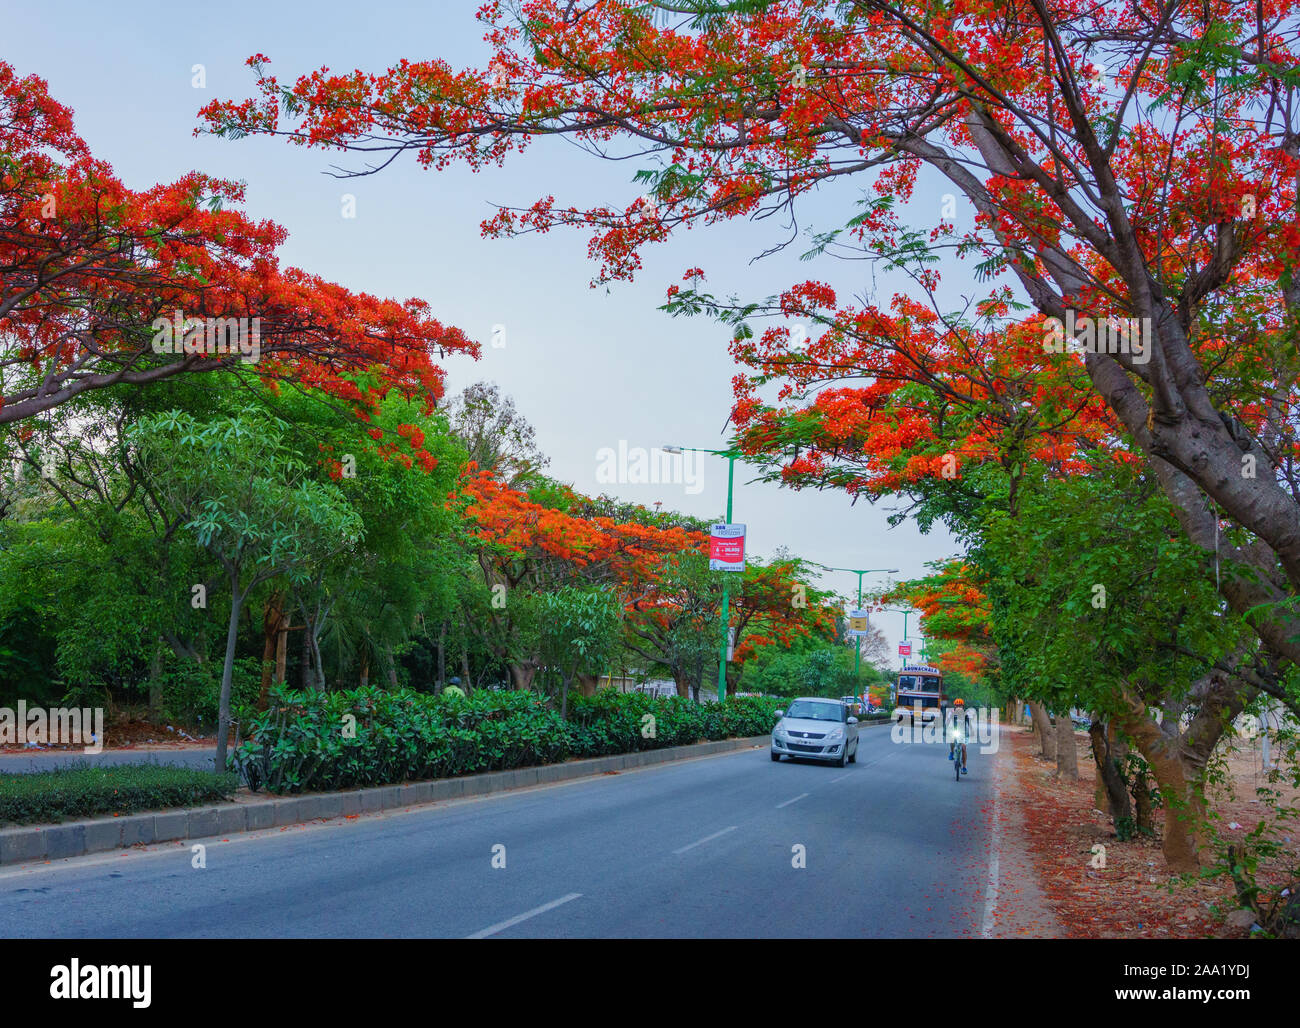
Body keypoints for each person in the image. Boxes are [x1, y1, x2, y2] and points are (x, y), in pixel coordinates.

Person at [948, 698, 972, 774]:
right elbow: (948, 722)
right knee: (951, 738)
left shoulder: (966, 714)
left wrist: (970, 732)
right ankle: (951, 752)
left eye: (960, 706)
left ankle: (964, 767)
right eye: (957, 705)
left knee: (964, 748)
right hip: (955, 730)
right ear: (954, 706)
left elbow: (969, 725)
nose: (958, 707)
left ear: (962, 706)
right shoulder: (951, 713)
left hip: (963, 733)